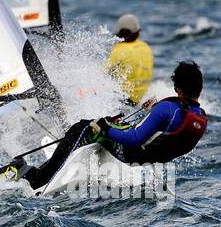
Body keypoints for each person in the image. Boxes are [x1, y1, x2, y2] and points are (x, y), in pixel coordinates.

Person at [10, 61, 208, 191]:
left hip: (129, 153)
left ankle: (37, 177)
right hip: (147, 158)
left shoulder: (167, 109)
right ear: (199, 89)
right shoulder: (199, 116)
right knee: (105, 122)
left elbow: (136, 138)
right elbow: (163, 133)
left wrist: (106, 129)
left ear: (178, 89)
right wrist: (147, 113)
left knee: (82, 128)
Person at [106, 13, 153, 105]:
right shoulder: (146, 47)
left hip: (124, 100)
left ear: (119, 33)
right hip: (141, 98)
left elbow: (104, 73)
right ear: (138, 32)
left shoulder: (118, 49)